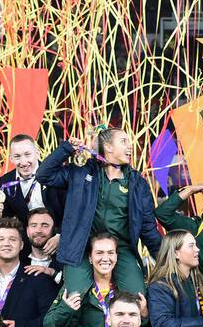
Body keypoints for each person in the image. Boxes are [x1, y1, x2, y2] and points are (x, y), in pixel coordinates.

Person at [36, 125, 162, 296]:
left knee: (137, 299)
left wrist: (165, 259)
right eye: (124, 141)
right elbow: (44, 175)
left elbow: (148, 227)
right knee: (74, 298)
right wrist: (66, 148)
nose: (130, 146)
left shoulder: (138, 183)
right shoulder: (82, 174)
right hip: (82, 247)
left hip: (121, 249)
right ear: (108, 147)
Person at [44, 231, 129, 327]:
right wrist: (66, 308)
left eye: (110, 253)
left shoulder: (125, 288)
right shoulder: (75, 287)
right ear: (90, 258)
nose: (105, 258)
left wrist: (144, 314)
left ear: (116, 257)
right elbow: (49, 326)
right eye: (99, 253)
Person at [0, 133, 66, 233]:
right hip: (28, 241)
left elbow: (71, 210)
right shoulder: (6, 181)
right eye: (17, 156)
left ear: (37, 153)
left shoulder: (56, 174)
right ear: (11, 159)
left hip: (59, 237)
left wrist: (60, 235)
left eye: (28, 155)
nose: (23, 162)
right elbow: (6, 222)